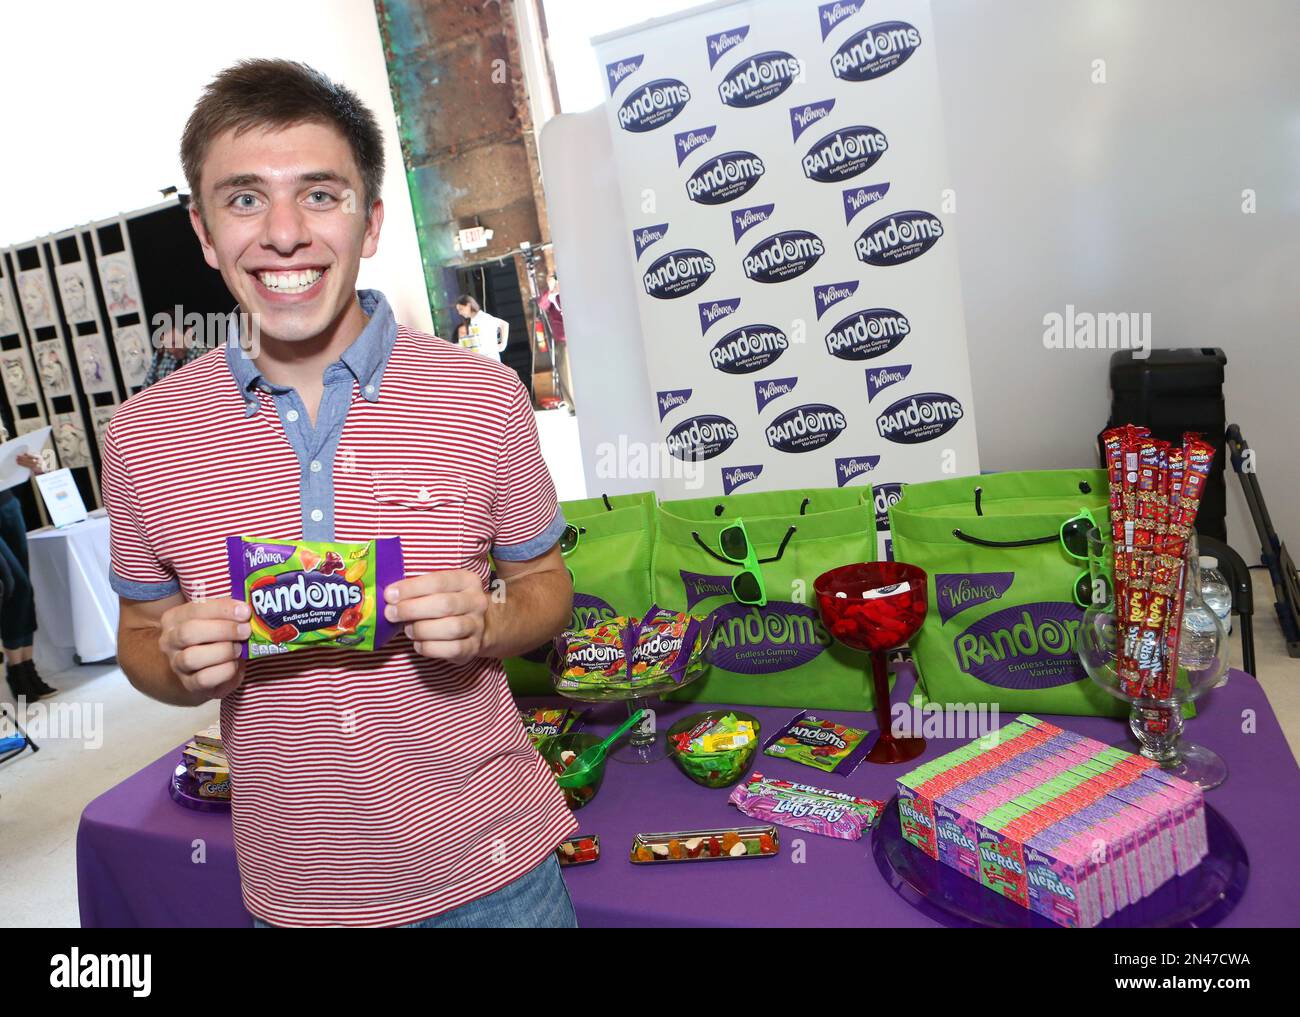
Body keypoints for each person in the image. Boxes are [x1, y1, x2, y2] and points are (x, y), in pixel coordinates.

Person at [102, 59, 576, 928]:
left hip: (498, 871)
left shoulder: (483, 395)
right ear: (205, 232)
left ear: (372, 221)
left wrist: (491, 621)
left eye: (320, 194)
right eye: (244, 199)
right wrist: (172, 662)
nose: (284, 233)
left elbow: (545, 585)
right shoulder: (141, 435)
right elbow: (138, 633)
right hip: (297, 892)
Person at [0, 429, 55, 700]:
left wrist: (27, 462)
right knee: (14, 585)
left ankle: (27, 668)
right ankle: (15, 669)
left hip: (7, 503)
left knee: (25, 588)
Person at [537, 272, 575, 415]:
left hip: (577, 335)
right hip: (562, 338)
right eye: (549, 280)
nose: (550, 281)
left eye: (552, 279)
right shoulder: (550, 295)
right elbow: (542, 305)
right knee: (565, 373)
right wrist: (550, 289)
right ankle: (572, 405)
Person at [454, 294, 509, 363]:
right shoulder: (474, 320)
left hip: (490, 359)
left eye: (461, 309)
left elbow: (504, 324)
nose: (460, 313)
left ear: (468, 305)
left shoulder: (482, 317)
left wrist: (502, 345)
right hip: (485, 360)